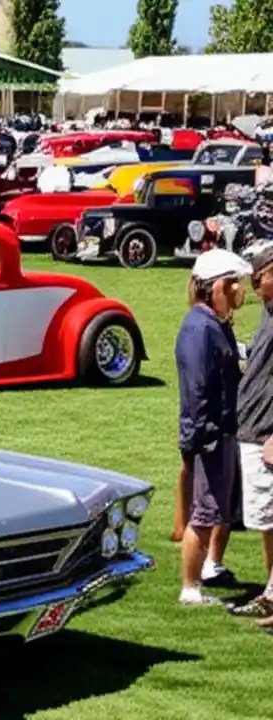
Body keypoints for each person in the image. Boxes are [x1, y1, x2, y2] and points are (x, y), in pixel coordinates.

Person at [176, 248, 250, 606]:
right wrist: (201, 439)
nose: (239, 291)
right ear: (216, 287)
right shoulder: (199, 330)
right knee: (203, 514)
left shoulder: (214, 325)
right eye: (233, 283)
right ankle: (190, 588)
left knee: (216, 509)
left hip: (220, 431)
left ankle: (207, 569)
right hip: (210, 436)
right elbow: (197, 390)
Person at [230, 243, 273, 622]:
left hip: (267, 435)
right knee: (264, 521)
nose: (255, 285)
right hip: (253, 427)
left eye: (260, 277)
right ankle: (272, 592)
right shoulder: (268, 312)